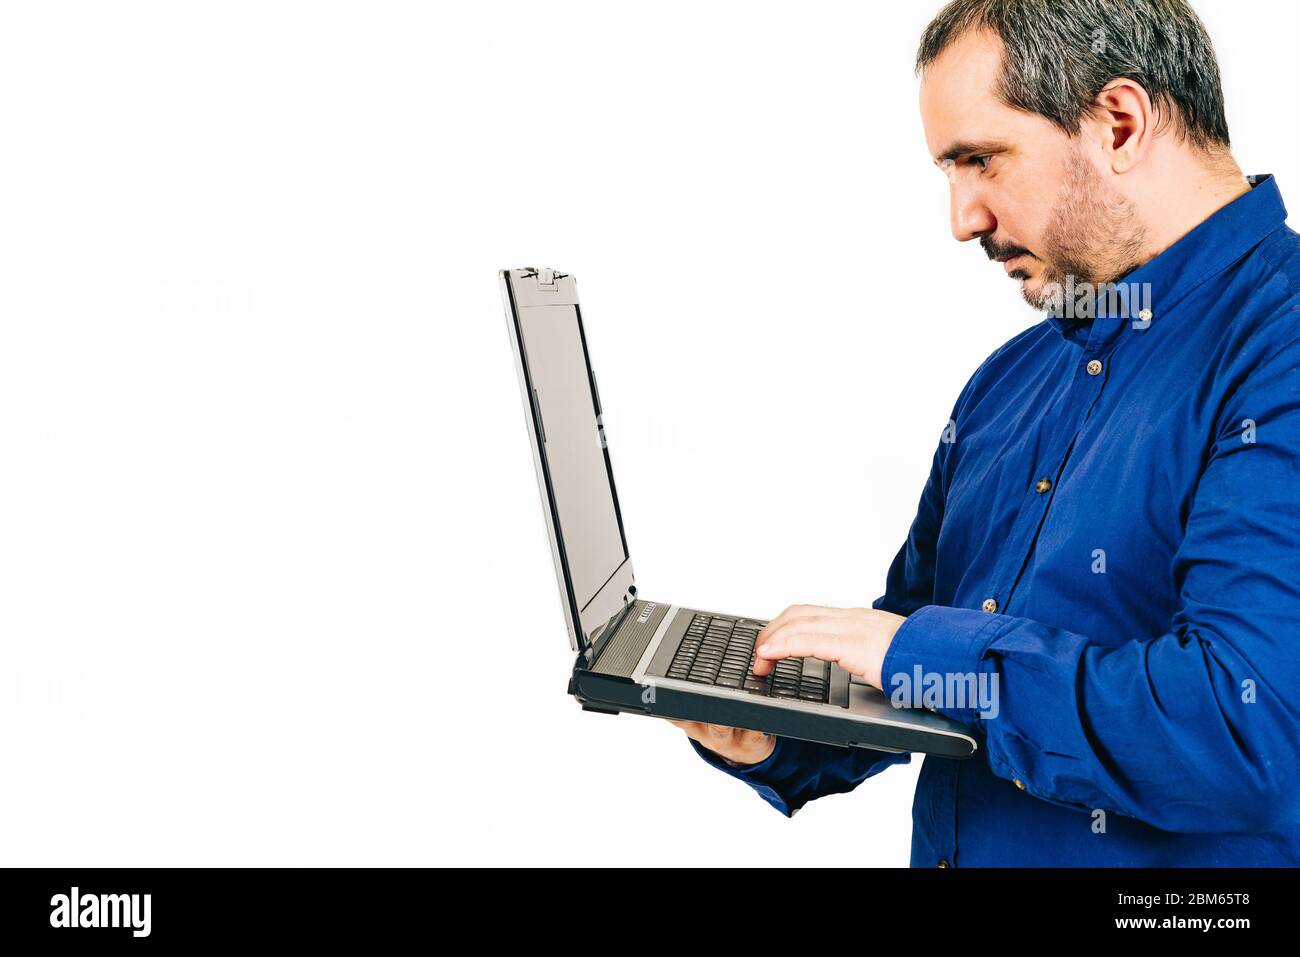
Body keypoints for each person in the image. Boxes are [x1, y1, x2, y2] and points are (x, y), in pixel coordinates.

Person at [671, 0, 1300, 866]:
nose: (962, 218)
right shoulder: (1012, 379)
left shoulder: (1282, 348)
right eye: (948, 172)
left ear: (1119, 124)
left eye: (981, 160)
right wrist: (782, 729)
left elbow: (1238, 730)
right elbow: (919, 652)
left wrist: (918, 650)